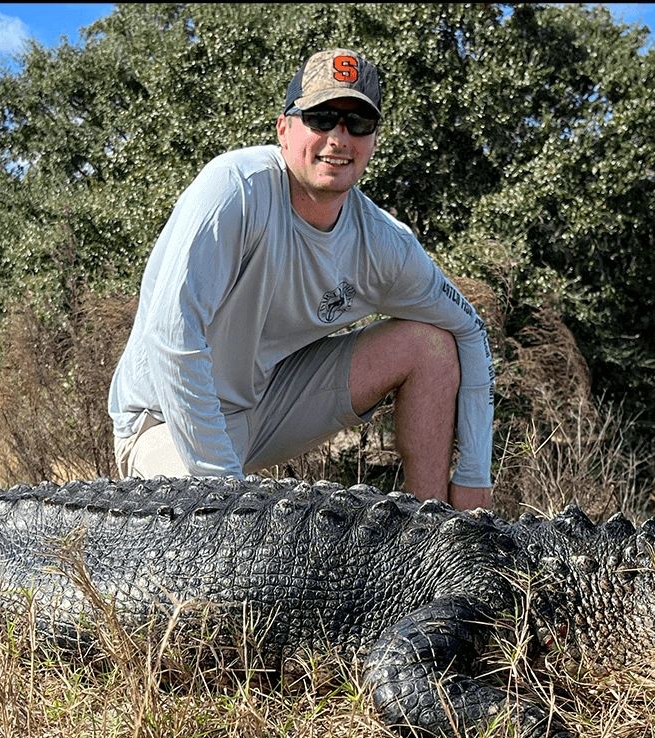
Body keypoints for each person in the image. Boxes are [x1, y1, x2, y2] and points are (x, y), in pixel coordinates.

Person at [106, 47, 495, 511]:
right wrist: (227, 493)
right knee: (217, 542)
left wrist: (474, 474)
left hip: (265, 407)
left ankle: (434, 535)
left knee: (430, 344)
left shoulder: (383, 243)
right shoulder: (235, 189)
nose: (338, 137)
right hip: (164, 421)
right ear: (284, 128)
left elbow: (470, 329)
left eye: (358, 123)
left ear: (373, 140)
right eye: (321, 118)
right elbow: (172, 335)